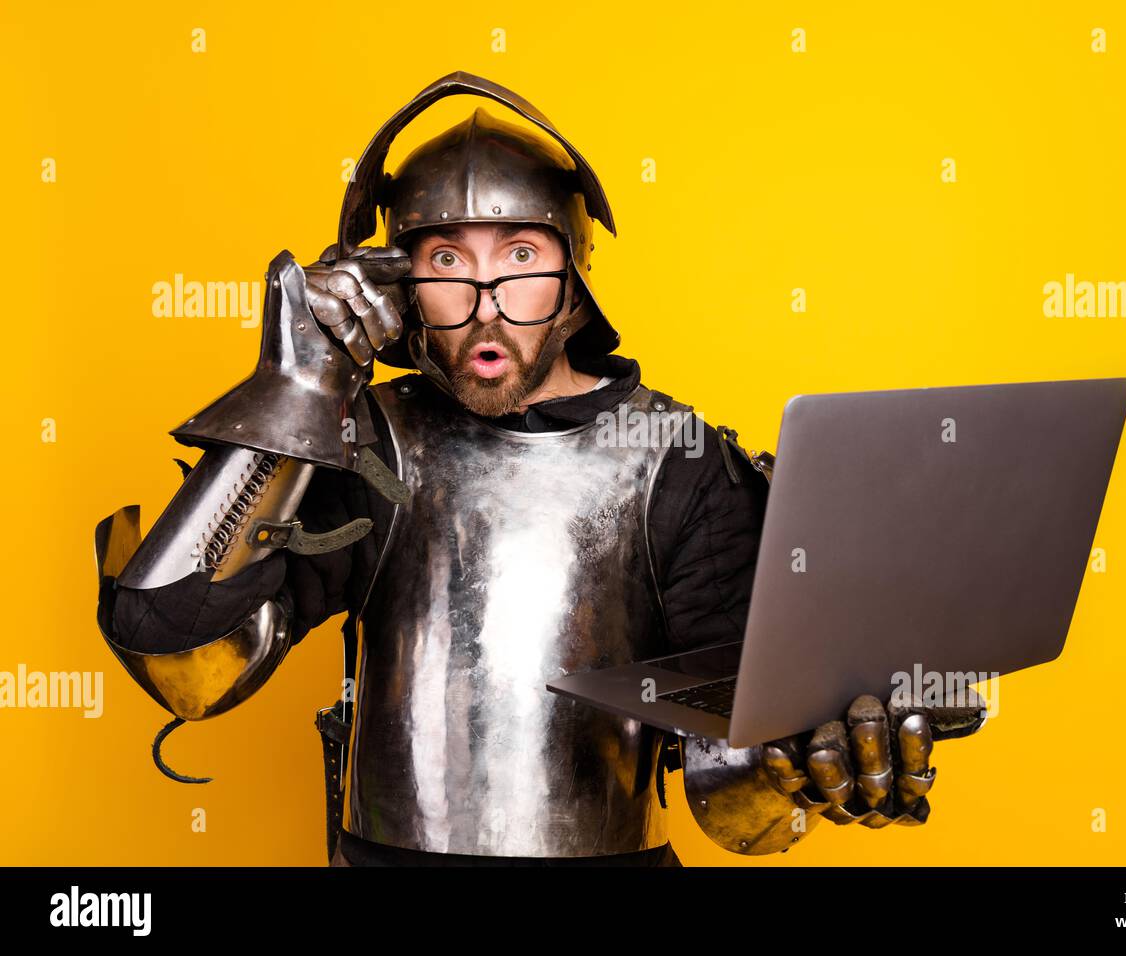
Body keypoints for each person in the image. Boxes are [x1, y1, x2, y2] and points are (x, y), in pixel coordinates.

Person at [93, 72, 985, 867]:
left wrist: (813, 764)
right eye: (447, 262)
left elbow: (728, 788)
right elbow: (180, 658)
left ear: (573, 271)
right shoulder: (372, 444)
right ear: (397, 283)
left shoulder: (675, 457)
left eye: (520, 259)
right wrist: (297, 389)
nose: (486, 309)